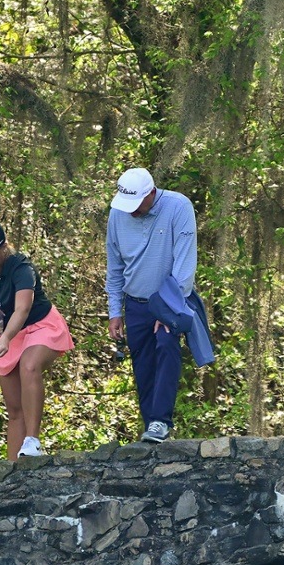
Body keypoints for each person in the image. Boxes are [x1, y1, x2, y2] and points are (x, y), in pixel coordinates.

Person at [105, 167, 201, 443]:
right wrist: (115, 311)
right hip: (135, 303)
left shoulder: (178, 207)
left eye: (136, 204)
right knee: (143, 365)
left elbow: (184, 265)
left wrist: (168, 308)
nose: (132, 211)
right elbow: (115, 266)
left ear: (151, 193)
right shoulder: (118, 214)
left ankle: (160, 421)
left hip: (171, 298)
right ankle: (151, 430)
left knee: (166, 345)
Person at [0, 221, 75, 458]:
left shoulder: (22, 268)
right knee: (14, 407)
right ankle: (12, 467)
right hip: (9, 332)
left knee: (29, 365)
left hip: (40, 325)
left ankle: (33, 441)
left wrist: (6, 337)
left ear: (4, 247)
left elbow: (23, 309)